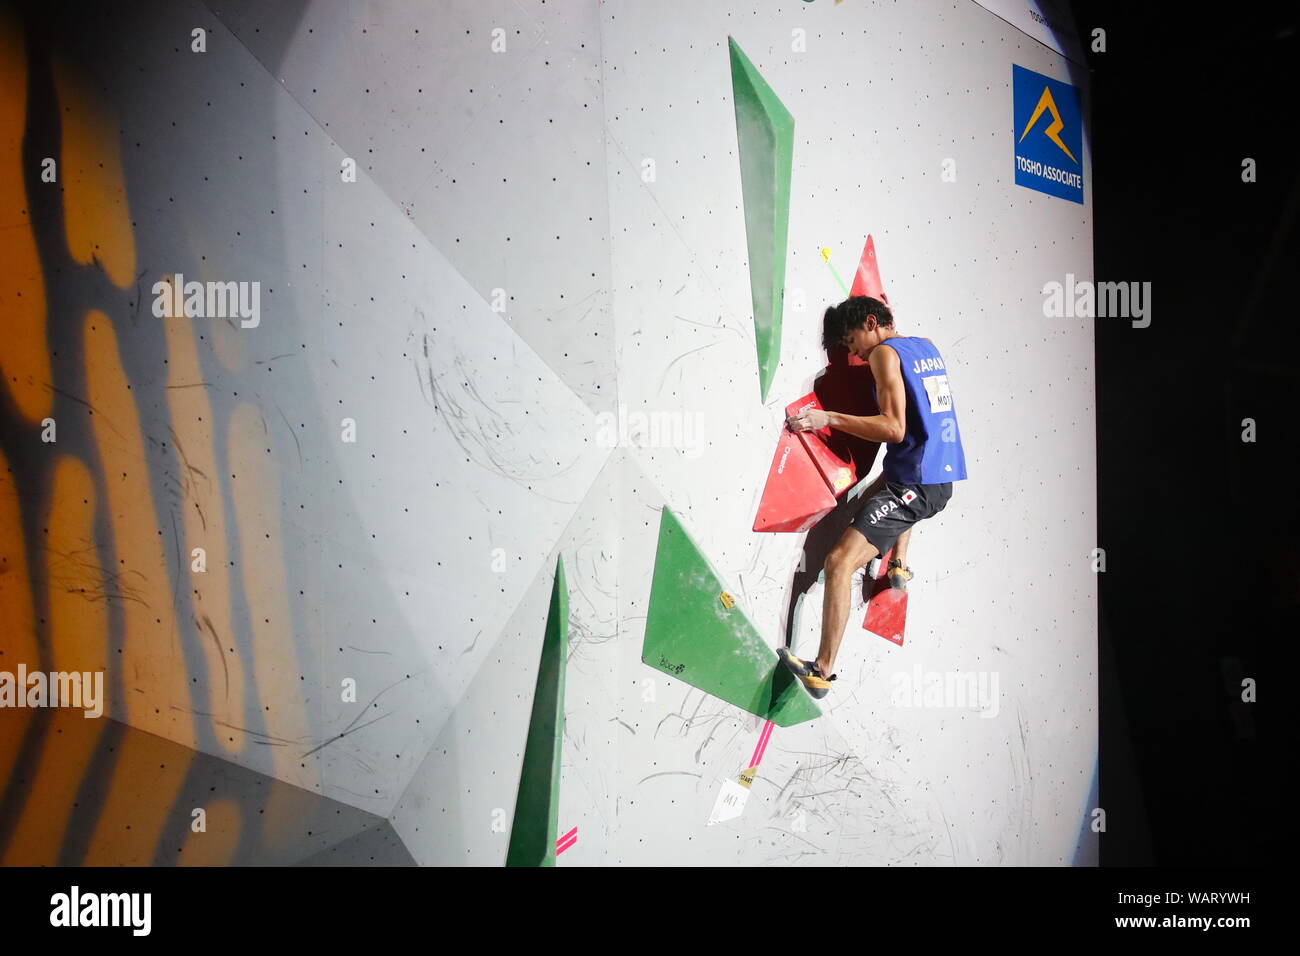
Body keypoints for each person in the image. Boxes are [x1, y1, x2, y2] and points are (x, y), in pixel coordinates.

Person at [778, 295, 968, 698]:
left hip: (916, 486)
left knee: (838, 562)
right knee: (883, 482)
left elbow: (894, 429)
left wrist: (827, 418)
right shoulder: (925, 347)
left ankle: (822, 671)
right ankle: (898, 563)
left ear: (870, 323)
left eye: (852, 342)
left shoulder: (884, 354)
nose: (855, 354)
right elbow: (917, 431)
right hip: (936, 472)